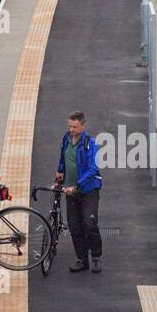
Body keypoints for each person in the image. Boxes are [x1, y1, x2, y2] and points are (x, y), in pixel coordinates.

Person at [55, 111, 102, 273]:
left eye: (75, 127)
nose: (71, 129)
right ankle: (82, 260)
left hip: (88, 190)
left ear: (83, 125)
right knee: (74, 226)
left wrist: (77, 185)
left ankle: (96, 256)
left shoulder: (92, 143)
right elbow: (63, 156)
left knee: (89, 223)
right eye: (70, 126)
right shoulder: (66, 139)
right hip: (70, 189)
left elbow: (94, 168)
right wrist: (60, 171)